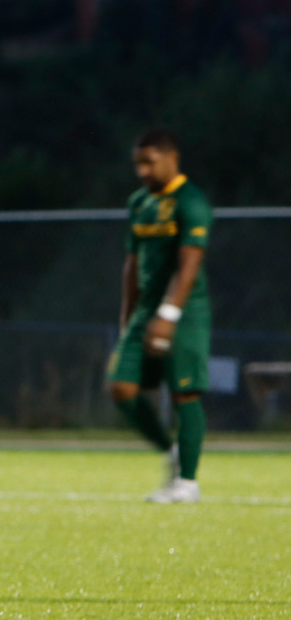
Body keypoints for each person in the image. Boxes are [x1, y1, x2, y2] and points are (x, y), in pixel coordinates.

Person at [106, 127, 211, 504]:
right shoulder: (139, 203)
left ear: (172, 159)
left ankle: (188, 482)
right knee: (121, 388)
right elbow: (131, 266)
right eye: (138, 164)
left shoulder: (191, 201)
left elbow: (190, 264)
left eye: (149, 163)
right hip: (145, 311)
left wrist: (169, 313)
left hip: (184, 311)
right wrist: (127, 318)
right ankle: (171, 453)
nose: (143, 172)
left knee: (185, 392)